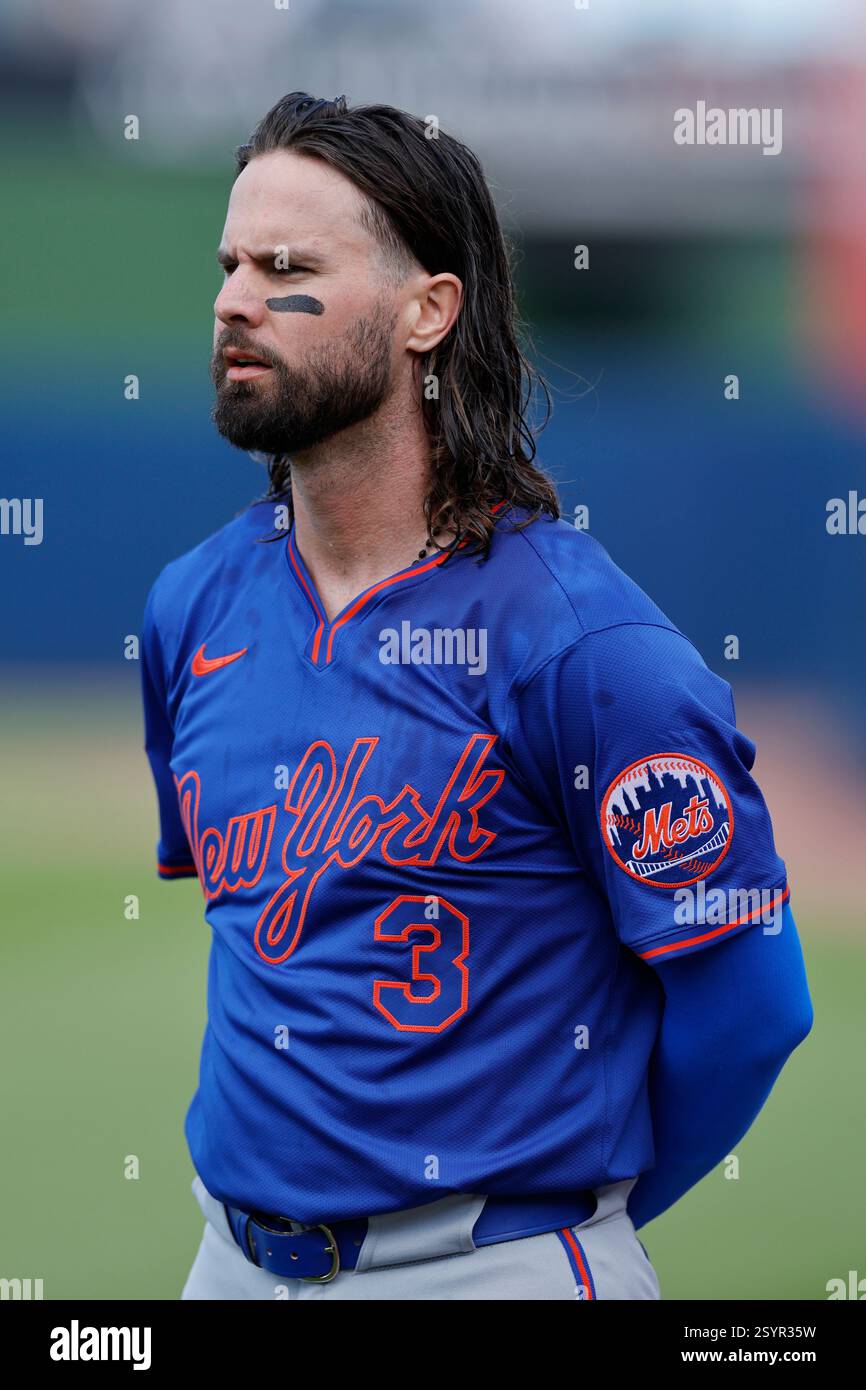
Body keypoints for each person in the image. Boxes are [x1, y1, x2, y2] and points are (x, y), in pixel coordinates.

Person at [140, 92, 813, 1300]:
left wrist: (566, 1226)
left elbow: (753, 1007)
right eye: (230, 262)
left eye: (289, 267)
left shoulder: (580, 642)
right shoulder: (191, 606)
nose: (236, 298)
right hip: (225, 1262)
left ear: (425, 312)